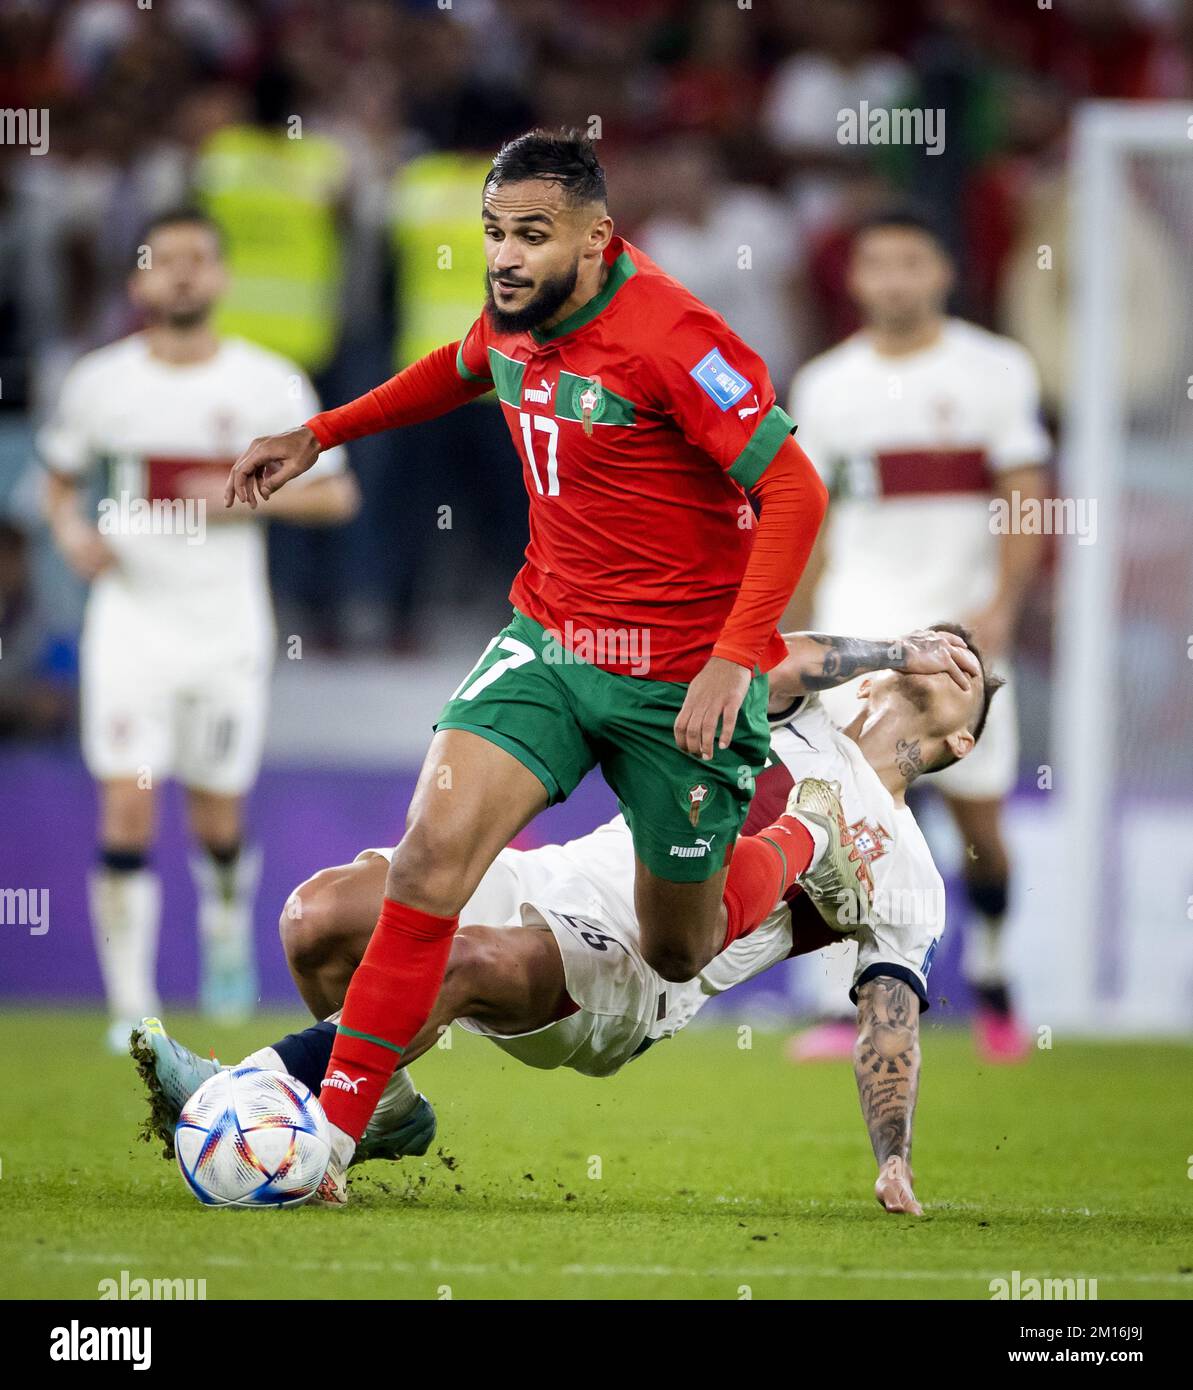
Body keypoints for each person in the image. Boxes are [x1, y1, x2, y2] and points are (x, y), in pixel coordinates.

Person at [223, 128, 830, 1200]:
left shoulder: (674, 337)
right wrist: (321, 432)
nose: (504, 257)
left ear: (597, 237)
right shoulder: (518, 318)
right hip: (546, 642)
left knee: (679, 948)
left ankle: (808, 837)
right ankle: (336, 1135)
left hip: (676, 679)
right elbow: (455, 370)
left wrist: (736, 659)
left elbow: (793, 492)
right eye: (494, 233)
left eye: (531, 235)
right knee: (425, 867)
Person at [134, 625, 995, 1215]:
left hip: (632, 973)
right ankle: (385, 1104)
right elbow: (751, 666)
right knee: (316, 916)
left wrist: (892, 1155)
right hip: (552, 876)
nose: (949, 661)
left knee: (458, 961)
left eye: (968, 673)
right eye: (936, 645)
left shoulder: (909, 872)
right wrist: (886, 645)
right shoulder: (801, 709)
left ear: (964, 744)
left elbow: (889, 1021)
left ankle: (262, 1110)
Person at [41, 209, 359, 1049]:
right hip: (130, 622)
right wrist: (72, 534)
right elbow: (58, 483)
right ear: (138, 281)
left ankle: (224, 922)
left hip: (225, 626)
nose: (181, 275)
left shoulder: (268, 385)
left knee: (217, 816)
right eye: (164, 261)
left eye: (197, 260)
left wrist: (243, 494)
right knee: (128, 805)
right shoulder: (99, 383)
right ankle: (129, 1009)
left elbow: (337, 494)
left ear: (219, 278)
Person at [782, 209, 1050, 1063]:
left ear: (942, 272)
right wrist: (796, 626)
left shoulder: (994, 369)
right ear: (854, 281)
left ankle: (997, 980)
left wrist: (1004, 603)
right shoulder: (824, 384)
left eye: (911, 261)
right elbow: (808, 521)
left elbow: (1025, 497)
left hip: (962, 632)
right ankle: (839, 1002)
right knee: (844, 816)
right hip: (862, 630)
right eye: (877, 264)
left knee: (979, 824)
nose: (893, 279)